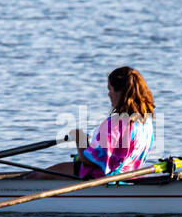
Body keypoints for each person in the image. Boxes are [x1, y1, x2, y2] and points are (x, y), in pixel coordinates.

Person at [25, 66, 156, 179]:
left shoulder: (116, 123)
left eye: (110, 89)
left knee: (36, 176)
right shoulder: (146, 122)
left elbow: (89, 161)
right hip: (129, 175)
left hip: (100, 177)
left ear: (121, 93)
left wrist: (79, 138)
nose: (109, 94)